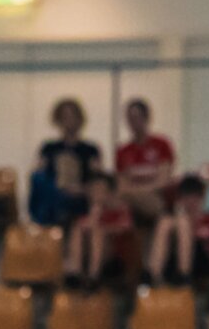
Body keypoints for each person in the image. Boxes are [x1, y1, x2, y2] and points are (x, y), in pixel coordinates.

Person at [30, 99, 103, 228]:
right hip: (54, 193)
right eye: (64, 117)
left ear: (80, 119)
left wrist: (81, 189)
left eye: (72, 116)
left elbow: (98, 176)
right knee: (39, 180)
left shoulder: (90, 150)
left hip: (81, 194)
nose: (68, 121)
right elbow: (39, 172)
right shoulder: (49, 148)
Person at [146, 173, 209, 286]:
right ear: (181, 199)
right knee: (167, 222)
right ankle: (153, 277)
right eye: (187, 198)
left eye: (195, 198)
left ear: (202, 198)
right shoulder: (174, 222)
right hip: (177, 262)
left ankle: (184, 277)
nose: (191, 202)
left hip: (206, 259)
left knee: (182, 224)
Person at [64, 171, 133, 290]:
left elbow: (125, 229)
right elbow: (84, 226)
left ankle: (93, 276)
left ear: (109, 192)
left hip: (113, 256)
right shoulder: (88, 211)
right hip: (88, 252)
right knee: (78, 229)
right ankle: (74, 272)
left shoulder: (119, 209)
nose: (97, 193)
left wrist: (104, 227)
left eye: (100, 190)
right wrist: (95, 211)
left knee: (98, 232)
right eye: (93, 190)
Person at [114, 98, 177, 225]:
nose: (133, 122)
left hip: (156, 197)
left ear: (146, 117)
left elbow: (163, 180)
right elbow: (122, 184)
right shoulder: (123, 151)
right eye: (130, 119)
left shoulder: (161, 144)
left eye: (137, 117)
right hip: (130, 199)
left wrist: (139, 191)